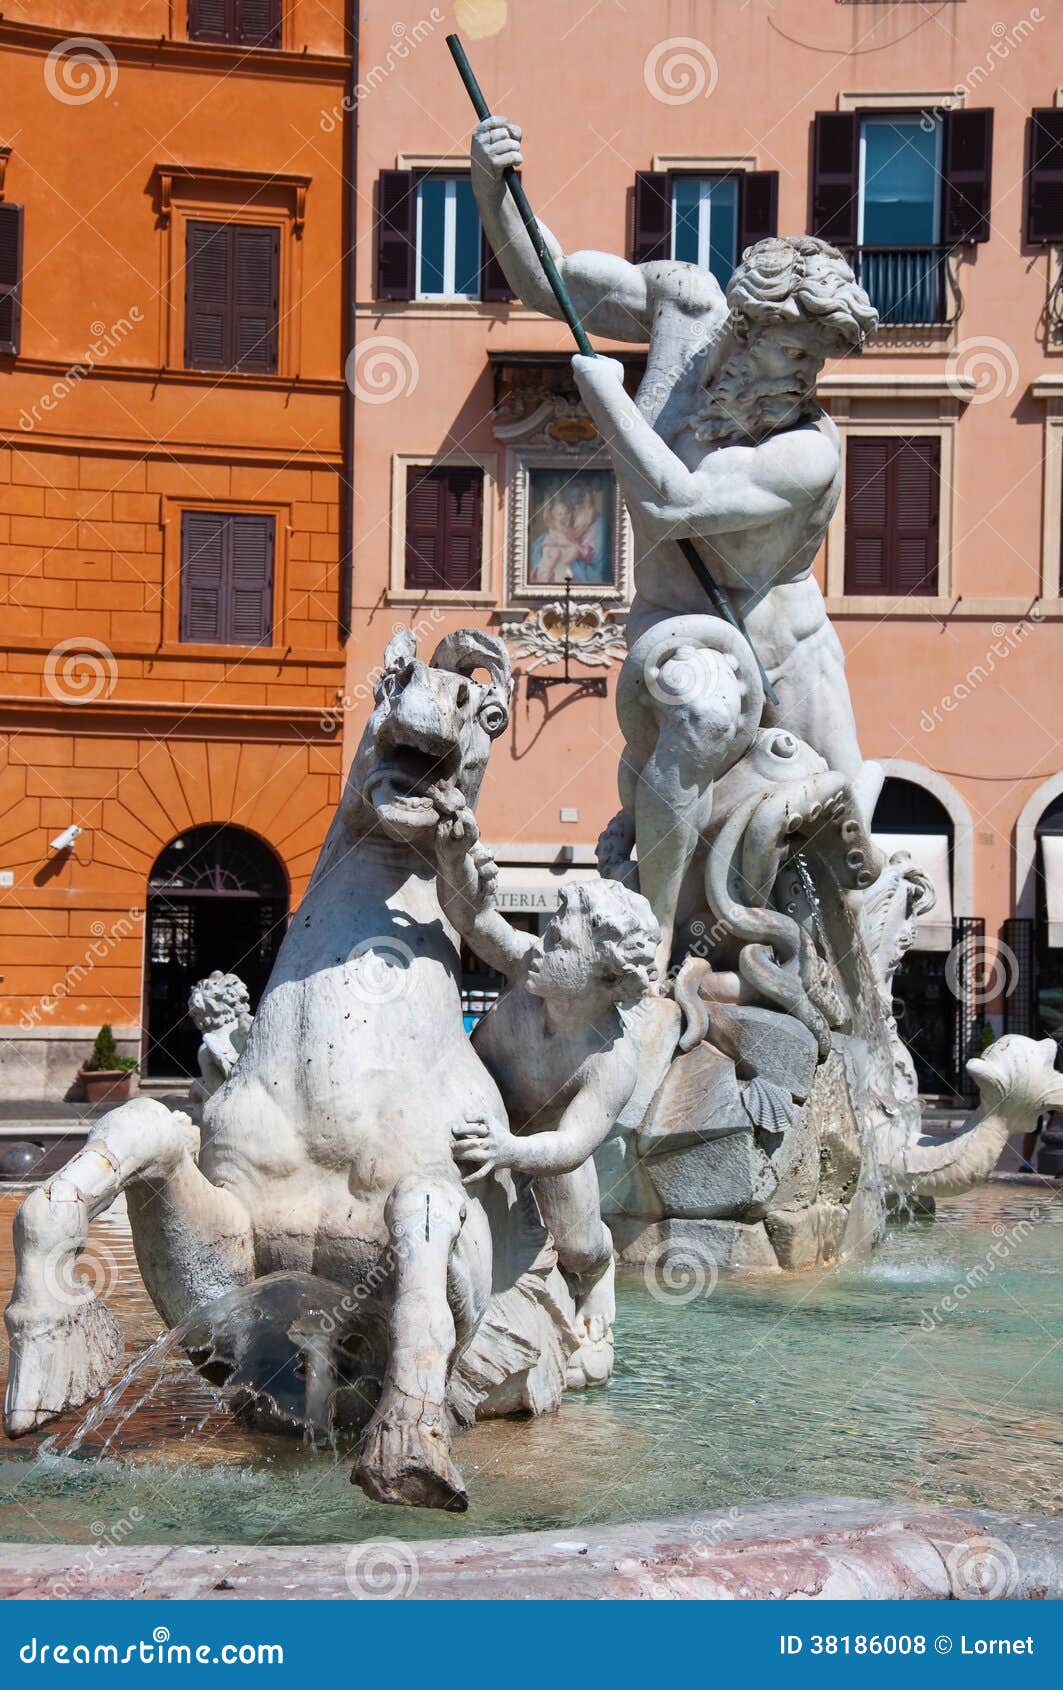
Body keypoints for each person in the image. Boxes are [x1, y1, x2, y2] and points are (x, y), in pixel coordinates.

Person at [471, 117, 885, 959]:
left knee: (849, 854)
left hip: (788, 648)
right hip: (678, 624)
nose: (805, 380)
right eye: (794, 356)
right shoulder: (681, 306)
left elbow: (673, 503)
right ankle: (650, 942)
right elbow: (548, 280)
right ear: (748, 326)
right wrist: (489, 183)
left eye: (817, 366)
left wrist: (603, 396)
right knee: (695, 717)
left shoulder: (805, 450)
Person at [432, 785, 660, 1387]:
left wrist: (509, 1149)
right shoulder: (532, 968)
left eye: (559, 942)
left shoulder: (609, 1061)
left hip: (538, 1145)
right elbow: (475, 922)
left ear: (605, 976)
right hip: (478, 1101)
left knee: (580, 1244)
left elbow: (571, 1147)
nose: (542, 944)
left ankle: (602, 1274)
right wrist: (455, 863)